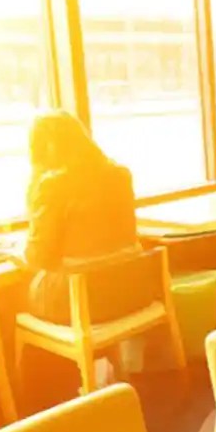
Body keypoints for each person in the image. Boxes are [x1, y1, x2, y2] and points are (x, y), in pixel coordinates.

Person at [25, 109, 141, 325]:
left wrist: (34, 185)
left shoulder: (51, 186)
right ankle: (97, 357)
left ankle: (67, 357)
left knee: (15, 297)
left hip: (82, 303)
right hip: (130, 293)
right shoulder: (119, 175)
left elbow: (38, 257)